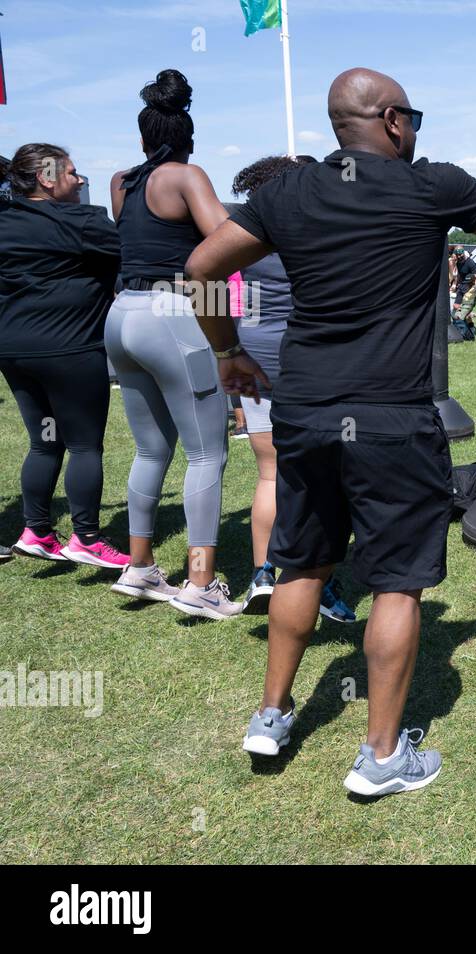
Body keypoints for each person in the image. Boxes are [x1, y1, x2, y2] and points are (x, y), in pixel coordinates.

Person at [185, 67, 476, 796]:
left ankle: (271, 715)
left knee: (301, 562)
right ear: (392, 120)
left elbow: (200, 266)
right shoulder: (429, 186)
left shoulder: (285, 191)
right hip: (392, 416)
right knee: (396, 582)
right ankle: (381, 758)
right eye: (412, 116)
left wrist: (227, 352)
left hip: (305, 410)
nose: (416, 128)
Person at [103, 70, 239, 616]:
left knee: (150, 448)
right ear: (189, 135)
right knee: (207, 451)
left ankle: (139, 566)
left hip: (122, 315)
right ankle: (200, 582)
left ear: (142, 137)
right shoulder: (186, 176)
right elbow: (225, 236)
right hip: (173, 313)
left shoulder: (121, 181)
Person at [227, 154, 356, 623]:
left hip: (254, 350)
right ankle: (321, 583)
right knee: (326, 480)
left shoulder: (250, 230)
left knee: (270, 475)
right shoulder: (315, 227)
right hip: (307, 357)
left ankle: (263, 573)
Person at [0, 144, 128, 568]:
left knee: (45, 441)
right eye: (73, 173)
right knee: (85, 445)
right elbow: (129, 252)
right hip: (69, 348)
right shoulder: (81, 220)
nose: (79, 180)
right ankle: (87, 537)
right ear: (47, 178)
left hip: (15, 350)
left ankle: (36, 531)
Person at [450, 246, 476, 338]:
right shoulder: (458, 262)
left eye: (460, 254)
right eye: (457, 255)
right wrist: (455, 284)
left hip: (470, 289)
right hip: (461, 288)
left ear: (463, 252)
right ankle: (461, 332)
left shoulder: (470, 263)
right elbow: (459, 274)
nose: (459, 256)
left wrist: (474, 289)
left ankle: (468, 334)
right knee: (455, 309)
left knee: (463, 314)